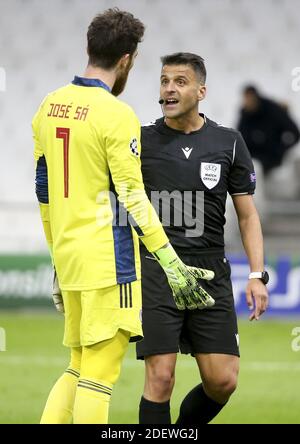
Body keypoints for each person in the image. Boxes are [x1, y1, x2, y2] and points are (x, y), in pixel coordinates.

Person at [32, 12, 215, 425]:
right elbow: (133, 197)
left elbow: (43, 193)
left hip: (70, 257)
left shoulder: (48, 106)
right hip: (109, 264)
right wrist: (171, 262)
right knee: (99, 375)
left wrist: (57, 259)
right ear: (127, 60)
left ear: (89, 48)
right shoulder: (115, 114)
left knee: (78, 366)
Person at [136, 53, 269, 424]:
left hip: (211, 270)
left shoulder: (228, 142)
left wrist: (257, 275)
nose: (169, 89)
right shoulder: (140, 140)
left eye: (179, 81)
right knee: (160, 377)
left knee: (222, 381)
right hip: (158, 269)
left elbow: (247, 215)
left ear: (201, 90)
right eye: (164, 81)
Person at [237, 85, 300, 175]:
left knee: (255, 172)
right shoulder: (245, 114)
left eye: (250, 98)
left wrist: (282, 148)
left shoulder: (272, 109)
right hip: (252, 157)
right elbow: (239, 138)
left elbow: (294, 132)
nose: (248, 101)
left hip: (271, 157)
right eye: (246, 98)